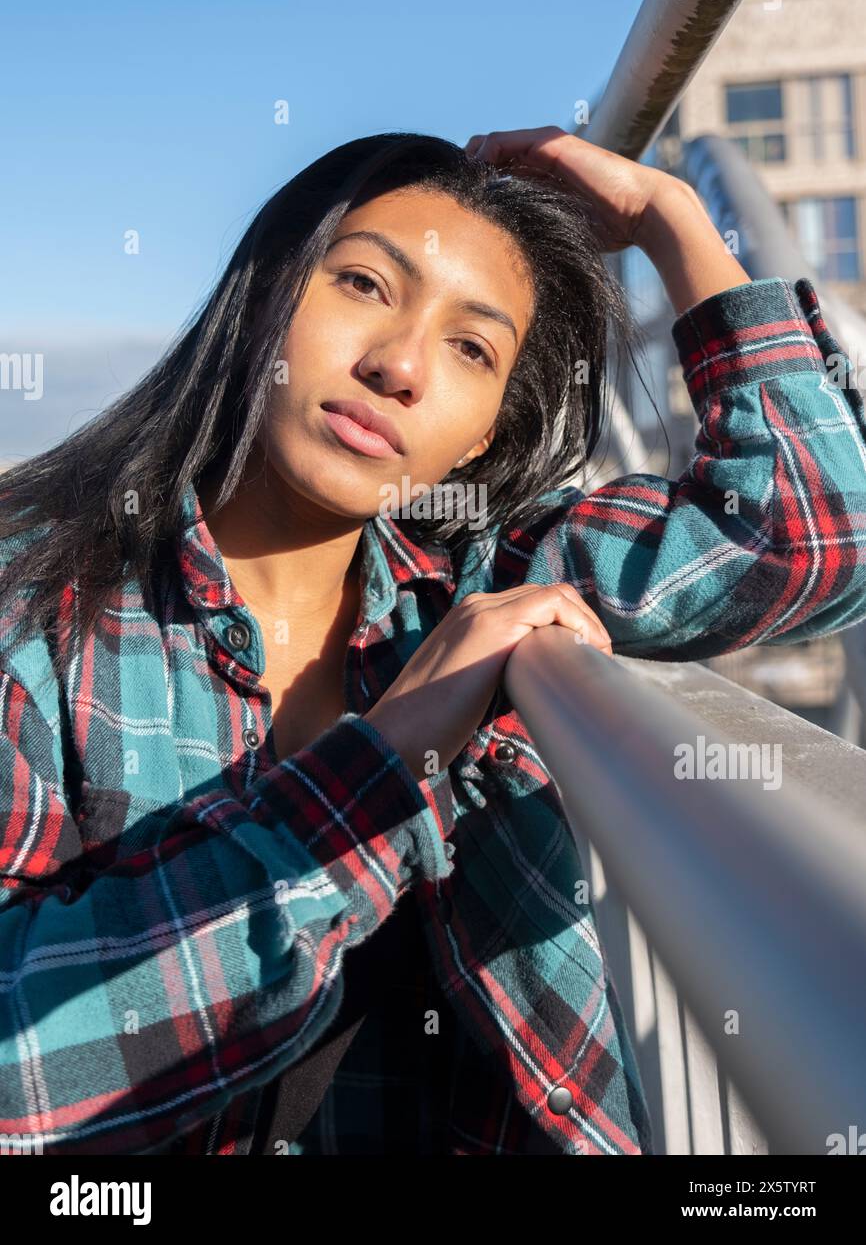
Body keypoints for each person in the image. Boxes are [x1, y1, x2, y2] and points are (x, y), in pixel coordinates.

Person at [2, 126, 866, 1156]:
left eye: (471, 347)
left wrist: (670, 222)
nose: (399, 366)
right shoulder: (41, 607)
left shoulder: (478, 584)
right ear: (260, 299)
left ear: (485, 434)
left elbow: (812, 536)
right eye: (363, 284)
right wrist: (383, 765)